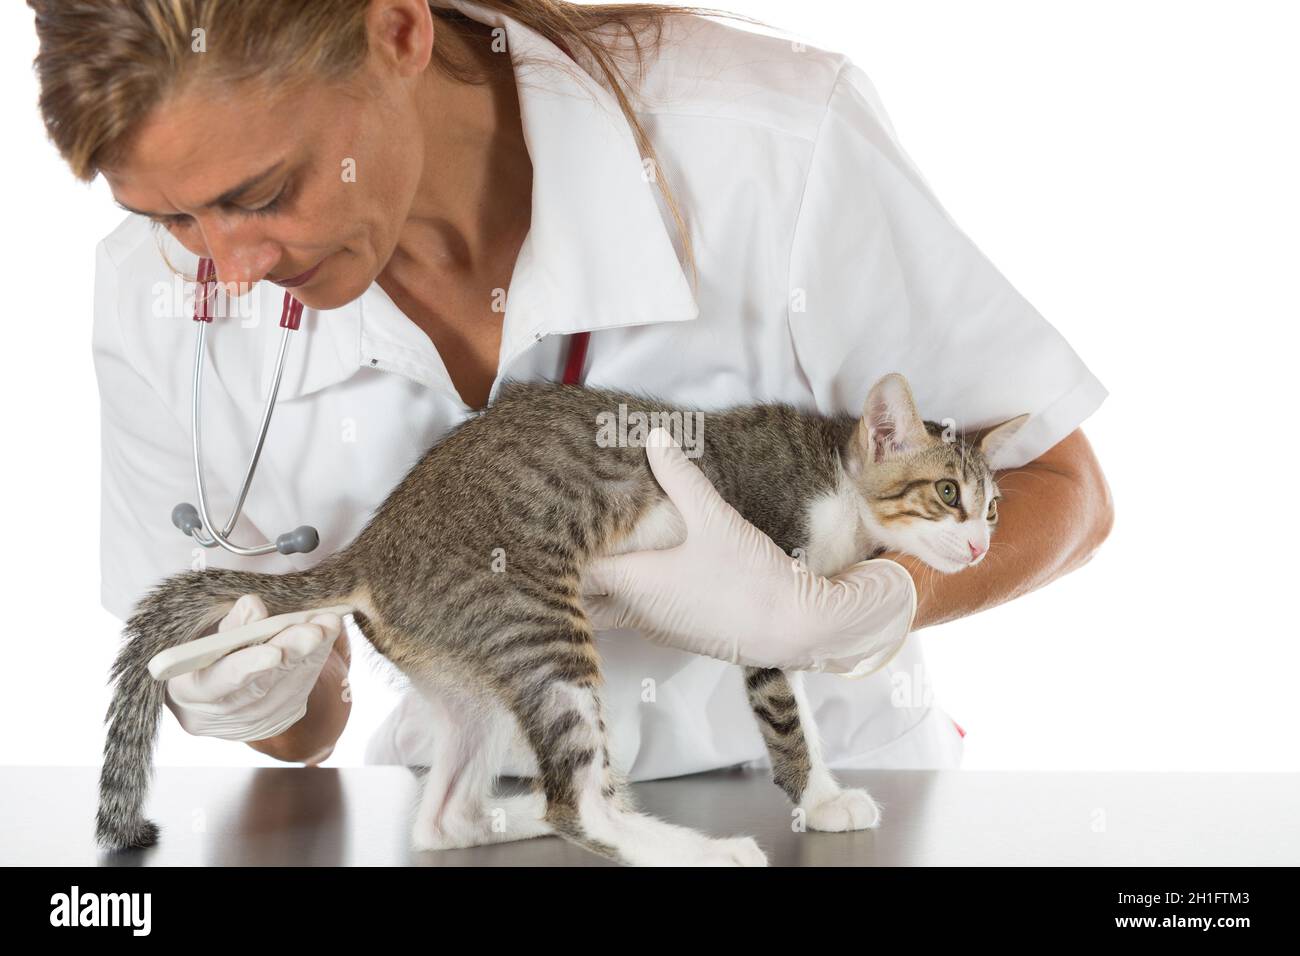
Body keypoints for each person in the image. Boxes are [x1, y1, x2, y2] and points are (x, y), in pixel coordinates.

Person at [31, 0, 1112, 778]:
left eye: (262, 192)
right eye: (168, 218)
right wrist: (266, 700)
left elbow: (1064, 488)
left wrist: (855, 606)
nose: (223, 269)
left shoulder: (764, 148)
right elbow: (304, 729)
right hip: (477, 815)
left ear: (397, 28)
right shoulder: (152, 301)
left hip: (834, 805)